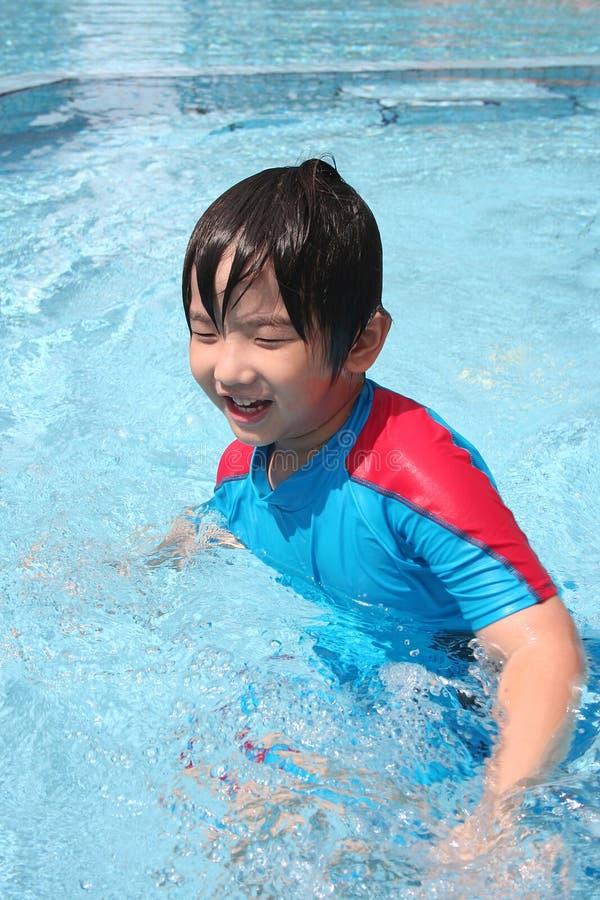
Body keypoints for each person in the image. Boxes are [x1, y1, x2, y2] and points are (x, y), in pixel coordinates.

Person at [180, 157, 584, 812]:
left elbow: (546, 652)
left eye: (269, 337)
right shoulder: (241, 470)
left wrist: (494, 822)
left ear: (363, 342)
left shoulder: (410, 475)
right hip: (368, 684)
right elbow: (209, 523)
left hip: (473, 710)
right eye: (206, 330)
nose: (228, 367)